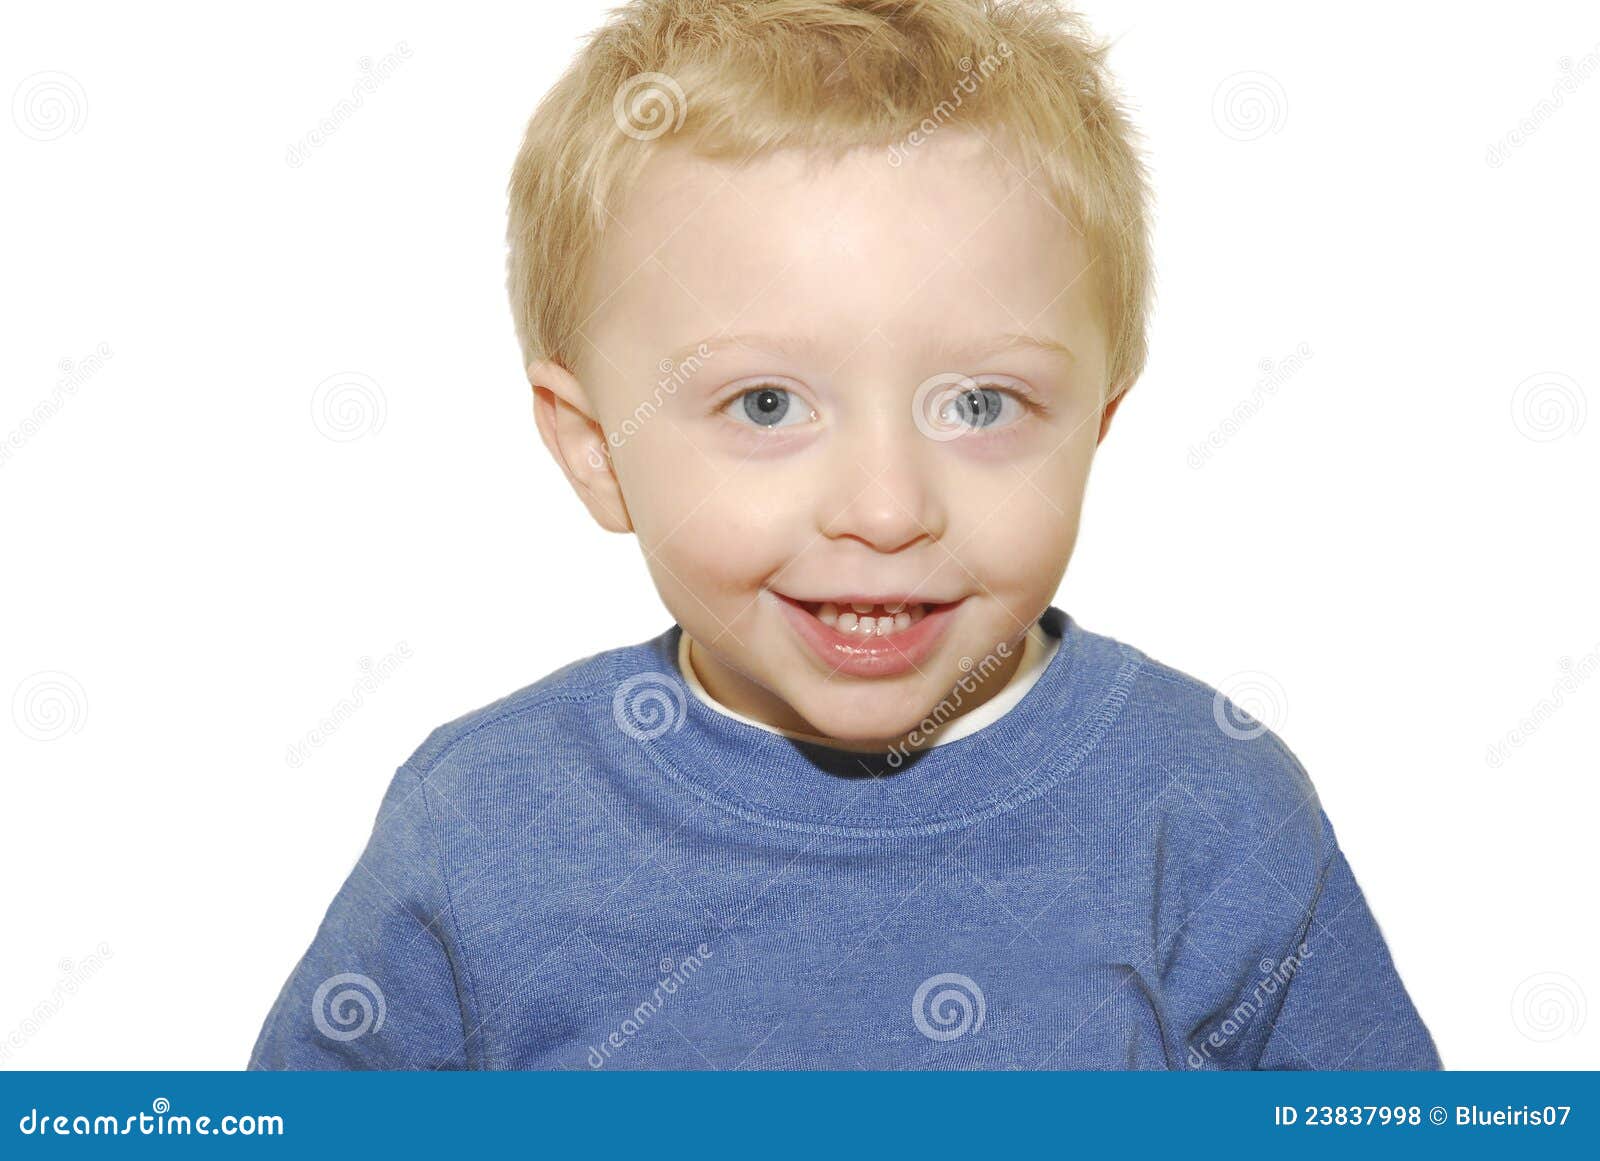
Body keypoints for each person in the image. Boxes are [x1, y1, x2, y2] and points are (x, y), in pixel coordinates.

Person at [250, 0, 1439, 1070]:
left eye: (980, 406)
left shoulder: (1209, 813)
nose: (884, 509)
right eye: (766, 406)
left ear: (1096, 425)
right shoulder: (483, 825)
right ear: (594, 447)